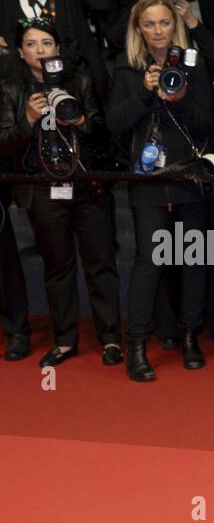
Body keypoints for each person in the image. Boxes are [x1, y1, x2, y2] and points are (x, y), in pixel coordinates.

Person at [105, 0, 214, 381]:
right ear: (139, 28)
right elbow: (115, 123)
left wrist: (180, 97)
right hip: (147, 177)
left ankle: (189, 336)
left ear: (176, 24)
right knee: (149, 261)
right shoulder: (127, 68)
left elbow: (204, 124)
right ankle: (136, 343)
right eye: (149, 24)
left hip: (187, 173)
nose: (158, 31)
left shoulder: (193, 64)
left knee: (192, 259)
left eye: (164, 23)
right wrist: (144, 92)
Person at [0, 18, 120, 367]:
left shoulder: (79, 82)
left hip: (87, 184)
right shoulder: (10, 90)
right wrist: (28, 118)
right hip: (42, 188)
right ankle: (65, 340)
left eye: (46, 44)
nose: (40, 51)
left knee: (101, 263)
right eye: (32, 45)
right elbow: (5, 145)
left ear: (57, 49)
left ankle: (111, 338)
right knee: (57, 266)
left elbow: (103, 134)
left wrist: (81, 121)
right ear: (20, 53)